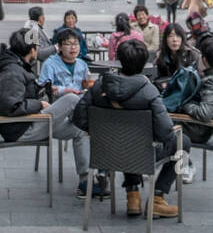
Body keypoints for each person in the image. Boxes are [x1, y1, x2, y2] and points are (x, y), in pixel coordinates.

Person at [72, 38, 182, 217]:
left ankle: (133, 195)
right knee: (181, 141)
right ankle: (157, 198)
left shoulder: (99, 86)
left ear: (119, 60)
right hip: (142, 154)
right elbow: (165, 132)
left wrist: (99, 133)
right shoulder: (149, 92)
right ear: (143, 63)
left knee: (128, 138)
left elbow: (78, 117)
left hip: (107, 152)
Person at [0, 26, 95, 197]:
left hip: (29, 122)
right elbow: (13, 107)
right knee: (72, 100)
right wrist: (39, 105)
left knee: (81, 130)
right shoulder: (12, 71)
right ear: (31, 49)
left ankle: (86, 181)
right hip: (21, 128)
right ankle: (94, 128)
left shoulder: (17, 65)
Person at [179, 34, 213, 183]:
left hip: (200, 131)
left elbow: (204, 114)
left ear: (204, 60)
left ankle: (184, 165)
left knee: (165, 124)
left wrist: (184, 104)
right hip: (211, 130)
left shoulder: (212, 83)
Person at [40, 28, 92, 97]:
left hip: (80, 101)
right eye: (68, 44)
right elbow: (43, 88)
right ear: (60, 47)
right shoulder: (49, 64)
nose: (73, 47)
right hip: (58, 102)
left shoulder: (82, 64)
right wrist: (64, 90)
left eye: (76, 44)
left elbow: (85, 85)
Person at [153, 22, 201, 88]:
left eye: (178, 36)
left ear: (182, 38)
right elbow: (159, 79)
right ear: (165, 39)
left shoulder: (192, 54)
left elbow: (200, 77)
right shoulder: (161, 55)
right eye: (171, 36)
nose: (175, 40)